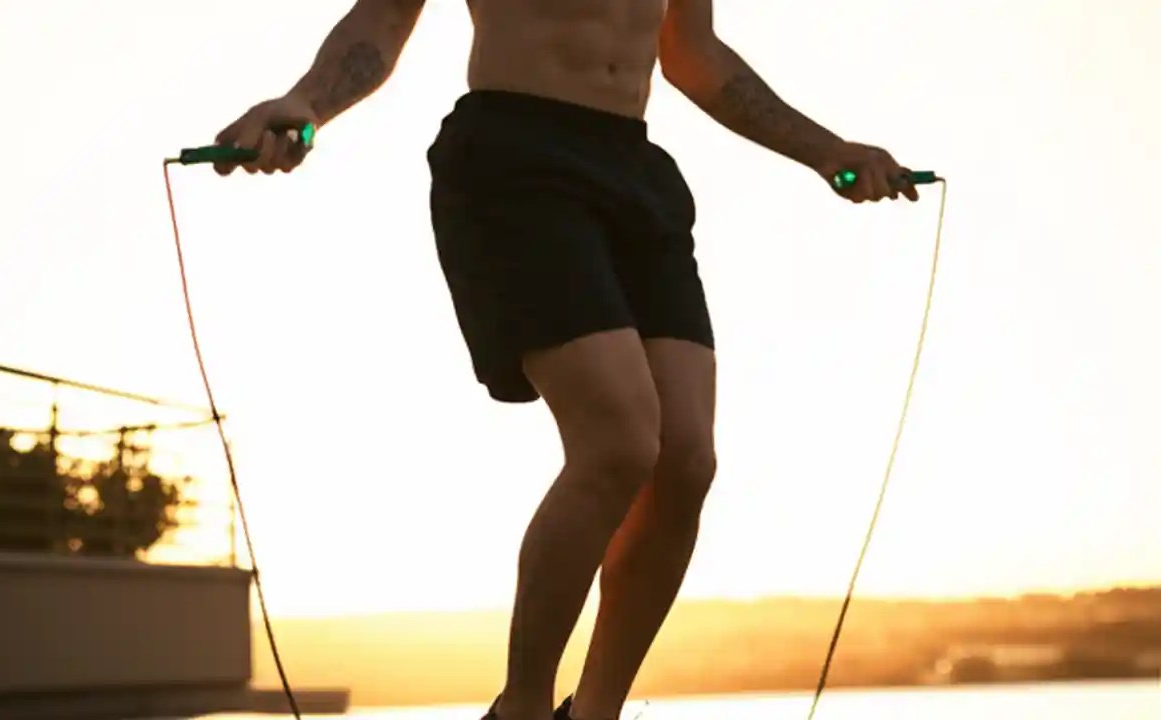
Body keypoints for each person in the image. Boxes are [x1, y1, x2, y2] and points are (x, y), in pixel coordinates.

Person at [211, 1, 919, 718]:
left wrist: (826, 150)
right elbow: (384, 18)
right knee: (617, 444)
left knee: (684, 461)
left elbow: (693, 53)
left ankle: (597, 711)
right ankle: (520, 706)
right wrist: (305, 103)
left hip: (632, 169)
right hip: (513, 159)